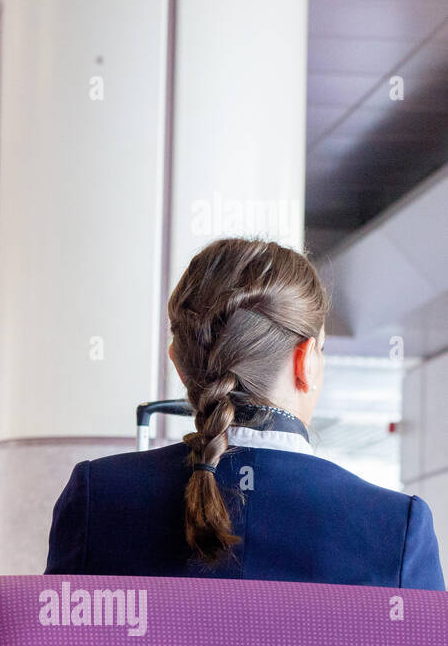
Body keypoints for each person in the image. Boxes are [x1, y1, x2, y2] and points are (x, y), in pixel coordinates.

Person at [46, 237, 444, 590]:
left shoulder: (99, 495)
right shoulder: (395, 527)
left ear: (180, 365)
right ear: (305, 360)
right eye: (321, 349)